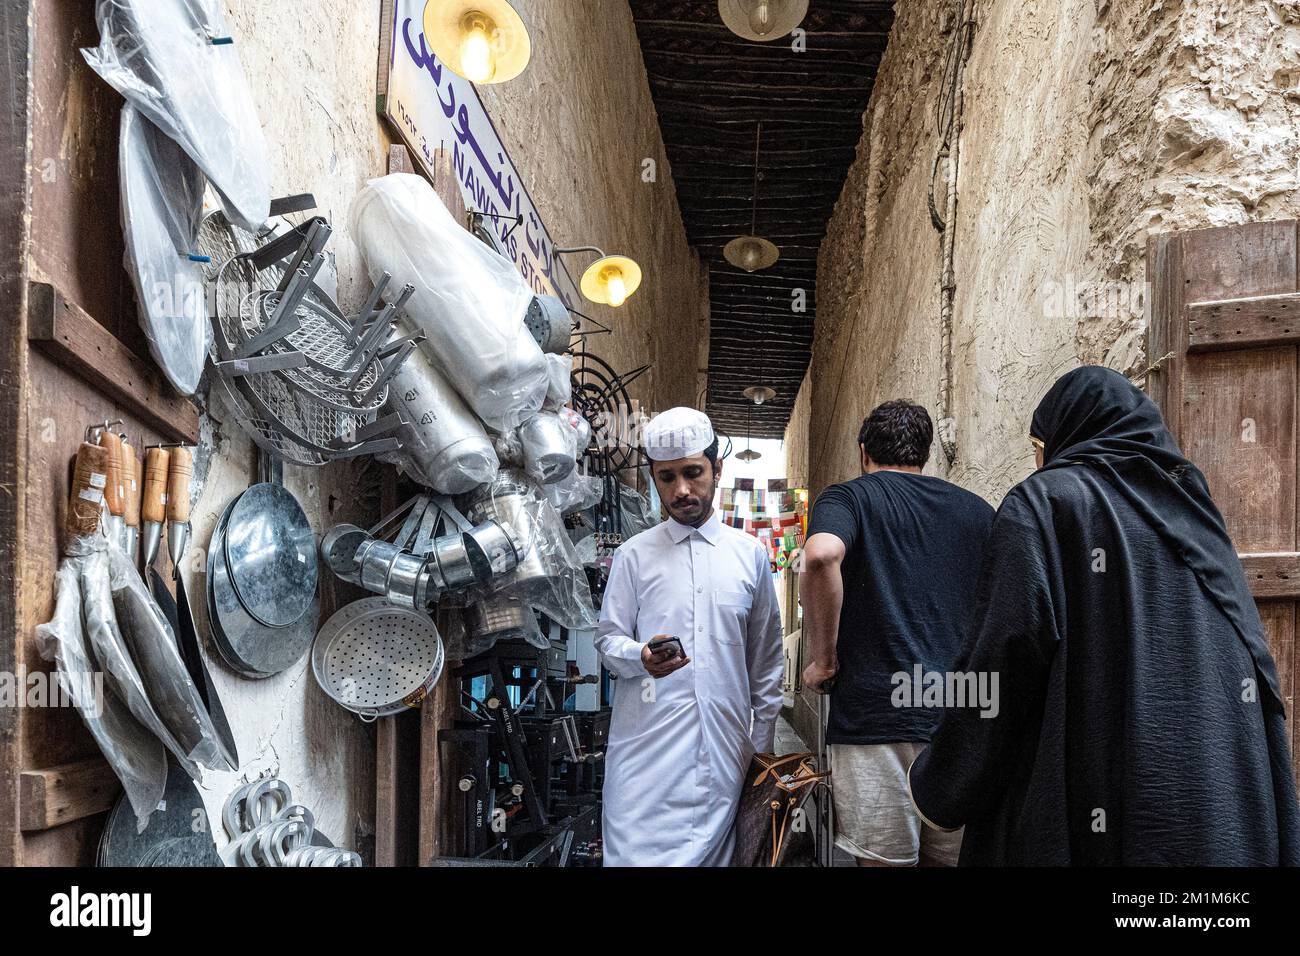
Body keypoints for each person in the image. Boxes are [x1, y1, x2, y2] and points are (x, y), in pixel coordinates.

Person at [908, 365, 1300, 865]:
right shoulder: (1196, 512)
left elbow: (1003, 659)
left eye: (1039, 445)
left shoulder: (1046, 502)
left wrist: (943, 781)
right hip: (1216, 803)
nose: (1039, 460)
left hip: (1094, 797)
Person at [800, 399, 994, 866]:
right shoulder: (979, 512)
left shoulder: (849, 498)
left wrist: (824, 660)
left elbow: (822, 555)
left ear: (864, 450)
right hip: (957, 718)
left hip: (874, 720)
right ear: (924, 453)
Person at [594, 407, 784, 866]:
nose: (681, 490)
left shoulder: (750, 556)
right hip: (645, 752)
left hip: (725, 753)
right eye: (667, 477)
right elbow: (607, 642)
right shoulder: (634, 556)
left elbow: (766, 663)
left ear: (717, 469)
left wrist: (760, 750)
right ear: (655, 478)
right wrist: (641, 656)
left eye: (693, 473)